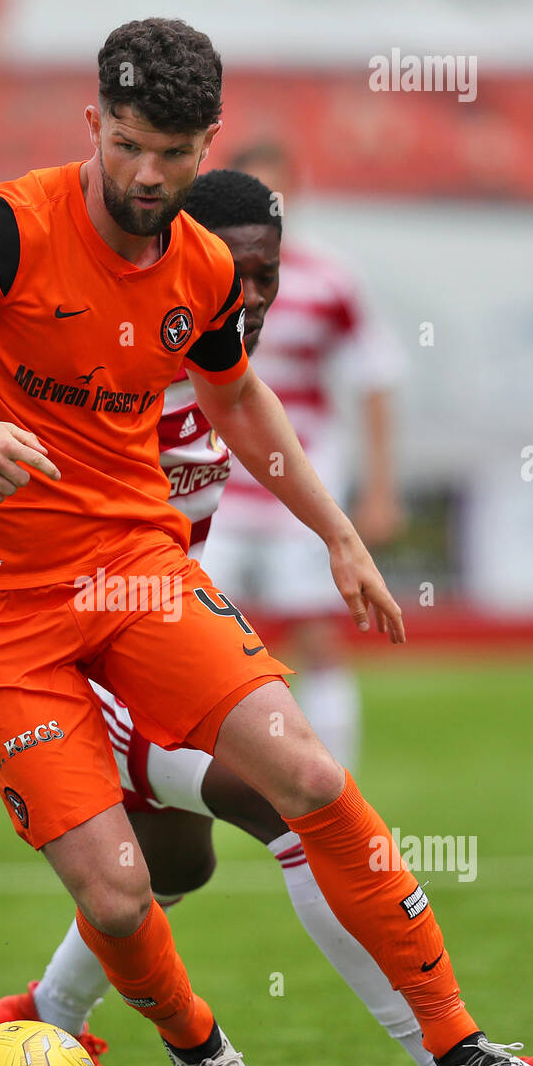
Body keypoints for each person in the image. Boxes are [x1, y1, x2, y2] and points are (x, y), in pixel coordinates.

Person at [0, 17, 533, 1066]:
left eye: (170, 153)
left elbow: (239, 399)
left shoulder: (202, 267)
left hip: (138, 581)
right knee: (127, 888)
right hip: (0, 618)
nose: (145, 174)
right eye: (124, 146)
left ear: (206, 143)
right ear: (93, 126)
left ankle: (456, 1050)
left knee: (302, 776)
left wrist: (336, 535)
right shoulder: (2, 230)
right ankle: (197, 1049)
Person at [206, 140, 405, 774]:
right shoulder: (192, 276)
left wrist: (379, 489)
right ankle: (203, 785)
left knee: (317, 636)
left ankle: (335, 787)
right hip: (215, 485)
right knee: (200, 644)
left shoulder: (330, 278)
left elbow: (376, 375)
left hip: (301, 482)